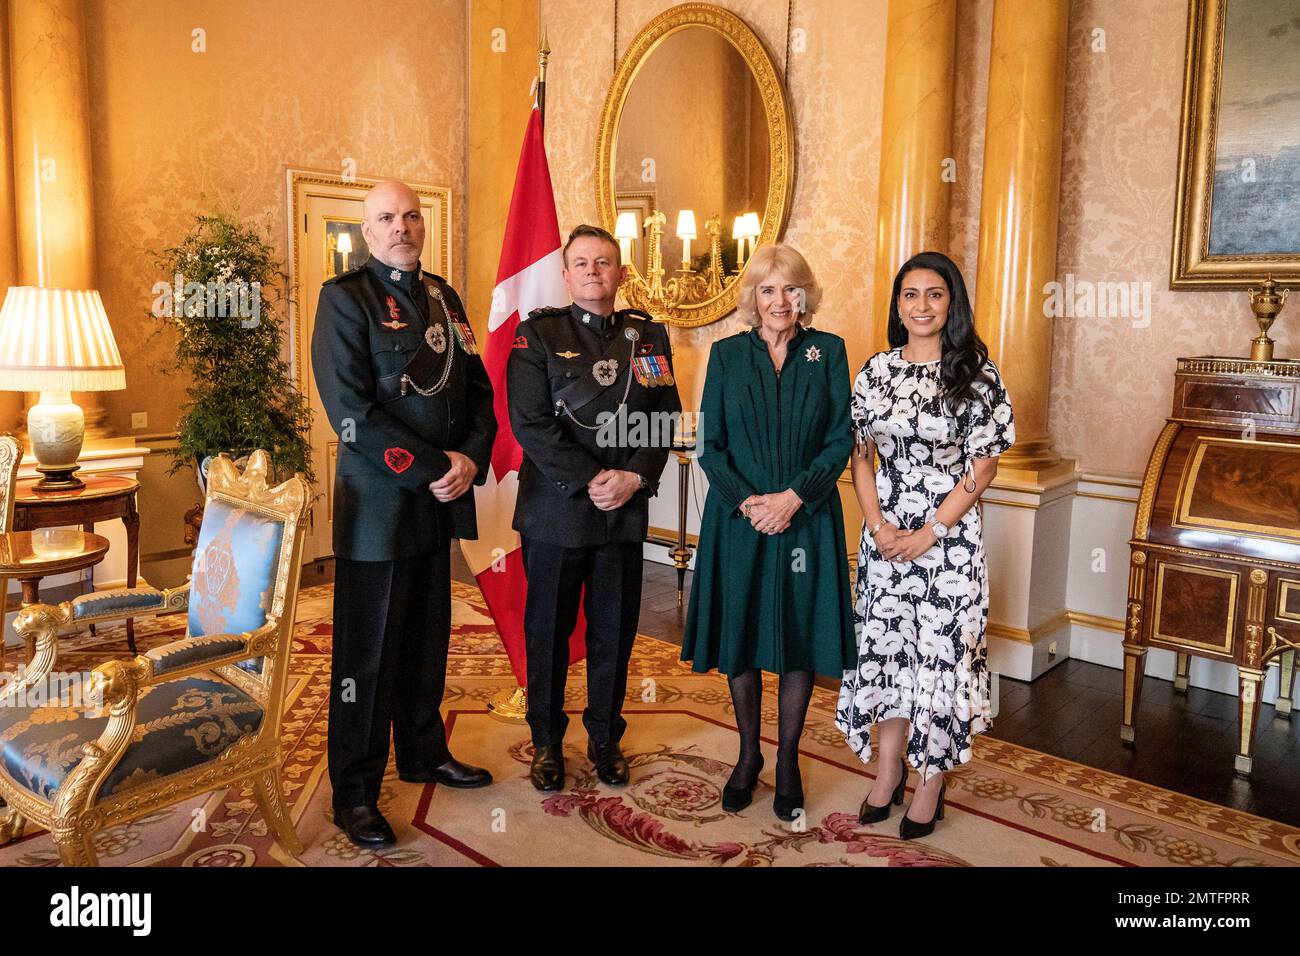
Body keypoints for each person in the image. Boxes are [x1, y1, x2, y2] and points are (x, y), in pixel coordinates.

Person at [311, 180, 497, 848]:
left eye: (411, 216)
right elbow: (351, 413)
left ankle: (422, 751)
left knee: (426, 637)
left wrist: (472, 458)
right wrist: (433, 469)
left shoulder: (446, 298)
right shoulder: (344, 299)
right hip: (382, 507)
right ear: (367, 232)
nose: (401, 227)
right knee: (366, 657)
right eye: (387, 218)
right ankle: (354, 791)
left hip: (440, 503)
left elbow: (478, 390)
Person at [835, 250, 1015, 840]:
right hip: (885, 538)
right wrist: (881, 528)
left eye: (934, 294)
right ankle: (888, 770)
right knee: (887, 656)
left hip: (949, 541)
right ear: (897, 304)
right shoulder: (876, 371)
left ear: (951, 303)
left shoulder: (978, 376)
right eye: (909, 294)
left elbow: (983, 468)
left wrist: (930, 531)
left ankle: (931, 781)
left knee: (939, 661)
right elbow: (861, 458)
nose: (920, 306)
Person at [680, 244, 856, 822]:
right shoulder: (728, 355)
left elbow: (839, 439)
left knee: (800, 637)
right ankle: (748, 754)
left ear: (804, 295)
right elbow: (712, 446)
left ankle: (787, 762)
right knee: (742, 633)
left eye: (791, 289)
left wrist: (793, 497)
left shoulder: (827, 352)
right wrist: (754, 506)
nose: (780, 301)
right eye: (768, 290)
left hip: (807, 517)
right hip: (741, 521)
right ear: (753, 298)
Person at [508, 224, 682, 792]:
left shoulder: (647, 336)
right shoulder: (536, 336)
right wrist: (592, 480)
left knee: (614, 631)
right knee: (549, 632)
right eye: (581, 263)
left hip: (621, 513)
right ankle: (547, 742)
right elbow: (530, 424)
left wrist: (633, 476)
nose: (592, 271)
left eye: (603, 262)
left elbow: (664, 414)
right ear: (565, 275)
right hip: (558, 512)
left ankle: (606, 738)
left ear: (620, 272)